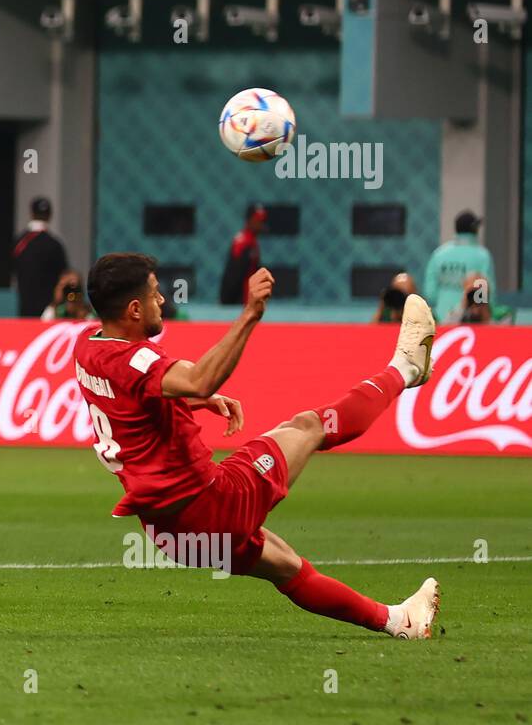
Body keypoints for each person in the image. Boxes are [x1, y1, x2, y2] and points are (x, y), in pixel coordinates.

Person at [75, 253, 440, 638]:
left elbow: (126, 401)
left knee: (287, 567)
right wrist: (251, 311)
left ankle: (401, 622)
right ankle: (407, 368)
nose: (162, 300)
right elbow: (199, 378)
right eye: (154, 294)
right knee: (311, 426)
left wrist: (194, 401)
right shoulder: (137, 360)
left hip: (170, 532)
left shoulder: (88, 347)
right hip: (216, 505)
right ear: (134, 309)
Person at [424, 210, 496, 324]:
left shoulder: (438, 254)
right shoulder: (482, 255)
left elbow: (430, 294)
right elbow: (489, 295)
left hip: (441, 319)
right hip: (474, 321)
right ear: (475, 229)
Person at [12, 196, 68, 317]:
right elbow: (64, 276)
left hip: (25, 309)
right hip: (48, 311)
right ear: (50, 215)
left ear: (31, 213)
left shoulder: (20, 242)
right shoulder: (54, 244)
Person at [218, 202, 265, 305]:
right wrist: (228, 305)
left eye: (262, 220)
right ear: (249, 220)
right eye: (257, 220)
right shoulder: (242, 242)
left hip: (248, 303)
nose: (260, 224)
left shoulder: (252, 242)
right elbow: (233, 276)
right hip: (239, 305)